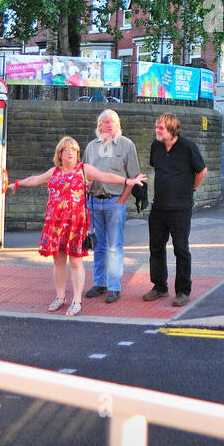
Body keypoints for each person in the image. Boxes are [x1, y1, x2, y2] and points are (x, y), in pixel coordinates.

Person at [10, 136, 145, 316]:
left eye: (74, 151)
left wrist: (126, 181)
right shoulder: (54, 172)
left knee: (75, 261)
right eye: (67, 150)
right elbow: (35, 180)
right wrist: (17, 184)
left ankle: (77, 300)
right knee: (58, 261)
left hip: (75, 223)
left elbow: (105, 176)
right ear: (60, 154)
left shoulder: (84, 170)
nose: (70, 153)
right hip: (55, 223)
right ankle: (60, 297)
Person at [143, 112, 206, 307]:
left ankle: (183, 291)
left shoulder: (188, 147)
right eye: (156, 127)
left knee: (181, 249)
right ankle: (160, 287)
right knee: (156, 247)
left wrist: (192, 189)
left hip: (180, 208)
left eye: (160, 128)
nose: (157, 131)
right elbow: (158, 168)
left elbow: (201, 171)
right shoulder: (156, 146)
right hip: (159, 207)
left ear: (171, 128)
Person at [82, 109, 141, 304]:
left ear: (118, 124)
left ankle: (114, 286)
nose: (108, 125)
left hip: (114, 201)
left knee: (115, 246)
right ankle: (100, 283)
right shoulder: (92, 146)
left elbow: (133, 177)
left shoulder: (126, 145)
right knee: (98, 245)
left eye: (112, 122)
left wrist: (122, 200)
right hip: (94, 201)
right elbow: (83, 174)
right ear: (99, 125)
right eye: (105, 122)